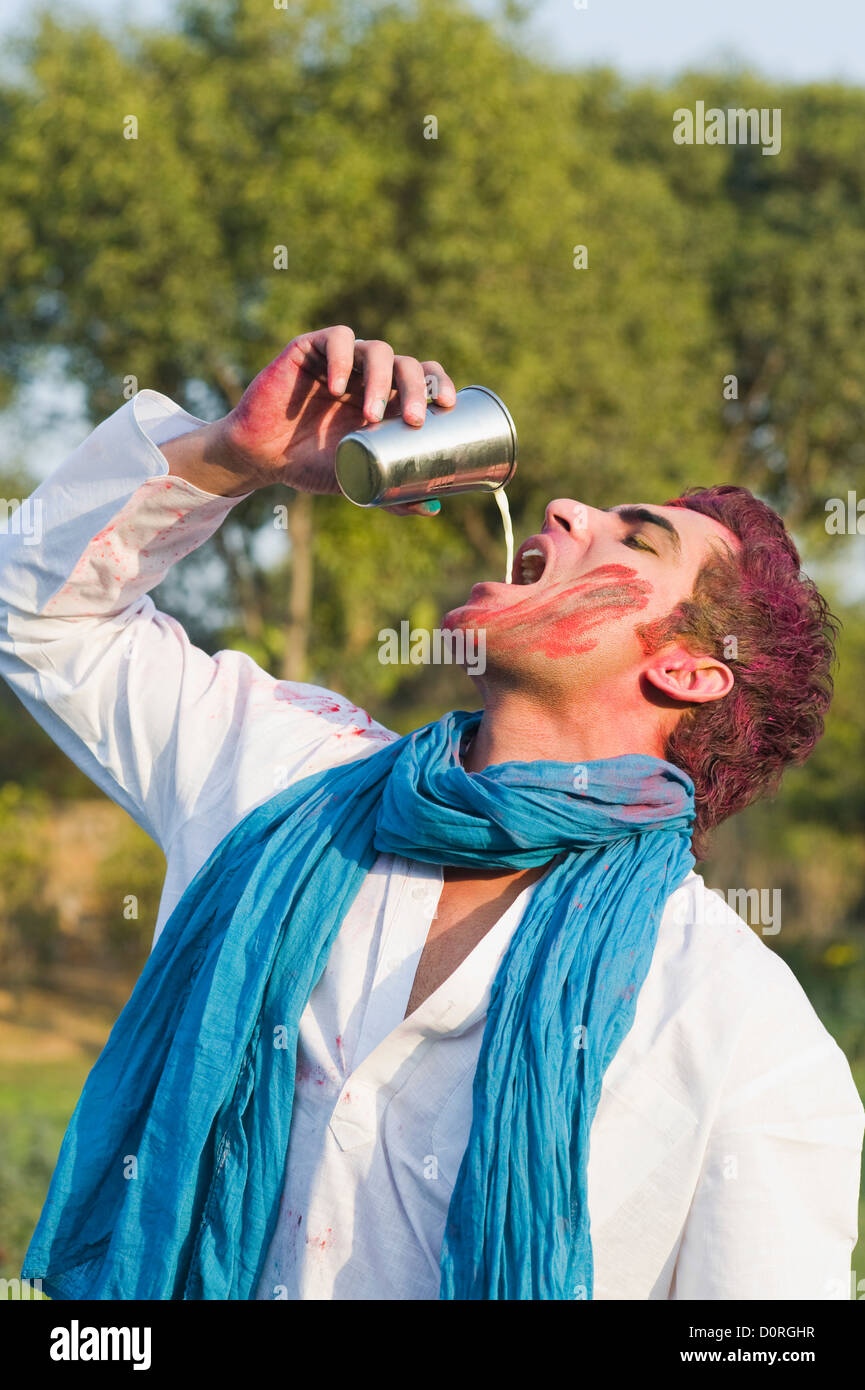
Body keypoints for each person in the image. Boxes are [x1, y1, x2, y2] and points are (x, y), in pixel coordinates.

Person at [1, 325, 861, 1301]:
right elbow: (38, 609)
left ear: (687, 670)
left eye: (635, 538)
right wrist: (230, 456)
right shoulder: (286, 772)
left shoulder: (738, 1024)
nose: (568, 506)